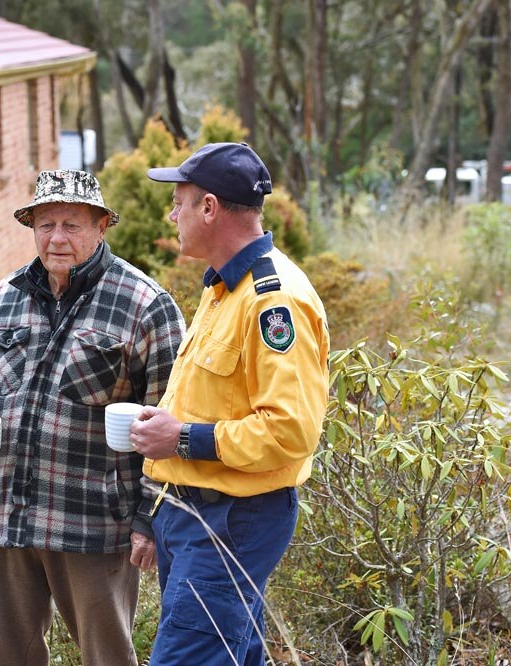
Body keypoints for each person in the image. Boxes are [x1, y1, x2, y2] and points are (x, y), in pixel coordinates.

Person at [0, 169, 186, 666]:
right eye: (45, 223)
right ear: (32, 228)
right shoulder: (4, 295)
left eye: (72, 224)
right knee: (4, 658)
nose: (56, 237)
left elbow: (174, 419)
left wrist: (149, 520)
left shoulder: (146, 305)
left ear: (101, 226)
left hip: (94, 526)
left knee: (107, 659)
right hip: (7, 516)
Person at [130, 143, 330, 665]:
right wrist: (157, 512)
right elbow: (202, 401)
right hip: (192, 511)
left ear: (210, 207)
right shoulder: (224, 289)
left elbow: (290, 431)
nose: (172, 214)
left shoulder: (271, 300)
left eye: (179, 201)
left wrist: (178, 438)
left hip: (232, 519)